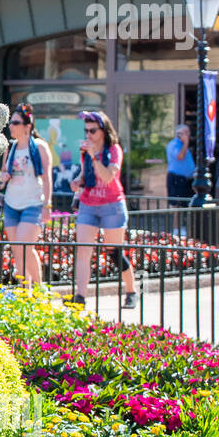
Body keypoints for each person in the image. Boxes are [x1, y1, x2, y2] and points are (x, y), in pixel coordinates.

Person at [69, 110, 137, 309]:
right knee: (83, 250)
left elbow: (108, 177)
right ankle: (80, 297)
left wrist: (94, 156)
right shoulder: (85, 153)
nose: (88, 135)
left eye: (93, 130)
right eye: (86, 131)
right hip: (89, 204)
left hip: (112, 205)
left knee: (114, 252)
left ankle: (131, 291)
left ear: (103, 131)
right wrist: (77, 182)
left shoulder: (113, 150)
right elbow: (85, 176)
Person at [0, 103, 53, 289]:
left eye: (15, 122)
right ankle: (24, 292)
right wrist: (3, 177)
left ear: (27, 126)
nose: (10, 126)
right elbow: (3, 175)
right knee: (17, 250)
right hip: (12, 203)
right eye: (10, 122)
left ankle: (38, 289)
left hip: (33, 203)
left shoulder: (40, 147)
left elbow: (46, 177)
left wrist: (47, 204)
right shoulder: (10, 148)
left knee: (24, 246)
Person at [165, 124, 194, 208]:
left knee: (183, 205)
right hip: (176, 179)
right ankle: (176, 221)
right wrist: (186, 143)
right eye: (185, 132)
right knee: (176, 206)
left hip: (185, 180)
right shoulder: (173, 144)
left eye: (188, 132)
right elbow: (180, 156)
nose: (188, 134)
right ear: (179, 134)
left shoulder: (183, 145)